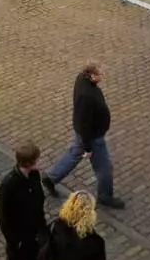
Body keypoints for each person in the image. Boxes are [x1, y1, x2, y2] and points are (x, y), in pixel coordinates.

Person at [43, 64, 125, 208]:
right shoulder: (87, 97)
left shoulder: (81, 78)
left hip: (87, 134)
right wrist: (88, 147)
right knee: (104, 168)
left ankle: (51, 178)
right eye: (100, 74)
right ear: (92, 75)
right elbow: (84, 124)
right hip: (93, 137)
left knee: (75, 153)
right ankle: (105, 195)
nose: (102, 76)